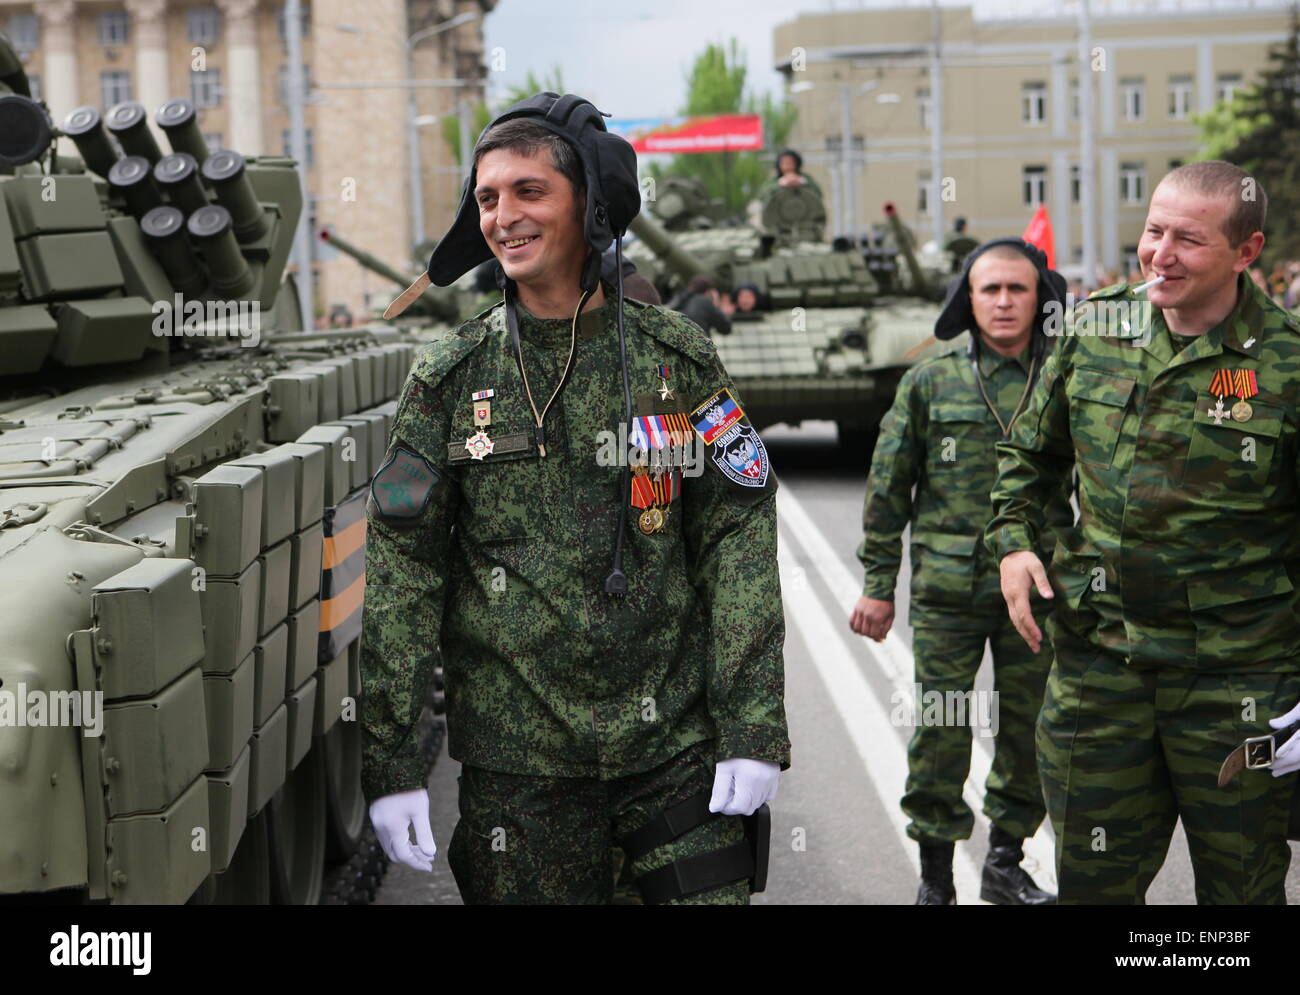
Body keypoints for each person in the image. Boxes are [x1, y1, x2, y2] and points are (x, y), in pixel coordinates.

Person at [360, 92, 789, 905]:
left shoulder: (676, 358)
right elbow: (404, 573)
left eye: (529, 191)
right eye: (487, 198)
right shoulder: (449, 380)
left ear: (590, 205)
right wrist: (392, 765)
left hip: (674, 756)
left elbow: (737, 534)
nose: (503, 216)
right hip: (521, 782)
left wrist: (753, 726)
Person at [987, 160, 1300, 904]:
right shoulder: (1094, 327)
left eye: (1188, 240)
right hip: (1102, 673)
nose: (1160, 254)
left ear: (1246, 252)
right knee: (1093, 885)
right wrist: (1017, 543)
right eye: (1154, 230)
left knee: (1243, 893)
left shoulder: (1288, 362)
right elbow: (1028, 457)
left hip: (1236, 683)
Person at [850, 238, 1071, 905]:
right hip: (949, 591)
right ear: (966, 300)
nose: (1004, 302)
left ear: (1042, 299)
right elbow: (890, 488)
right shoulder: (929, 379)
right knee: (942, 731)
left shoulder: (1071, 374)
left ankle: (1005, 863)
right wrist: (877, 585)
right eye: (989, 290)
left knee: (1031, 727)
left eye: (1018, 289)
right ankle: (936, 877)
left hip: (1039, 590)